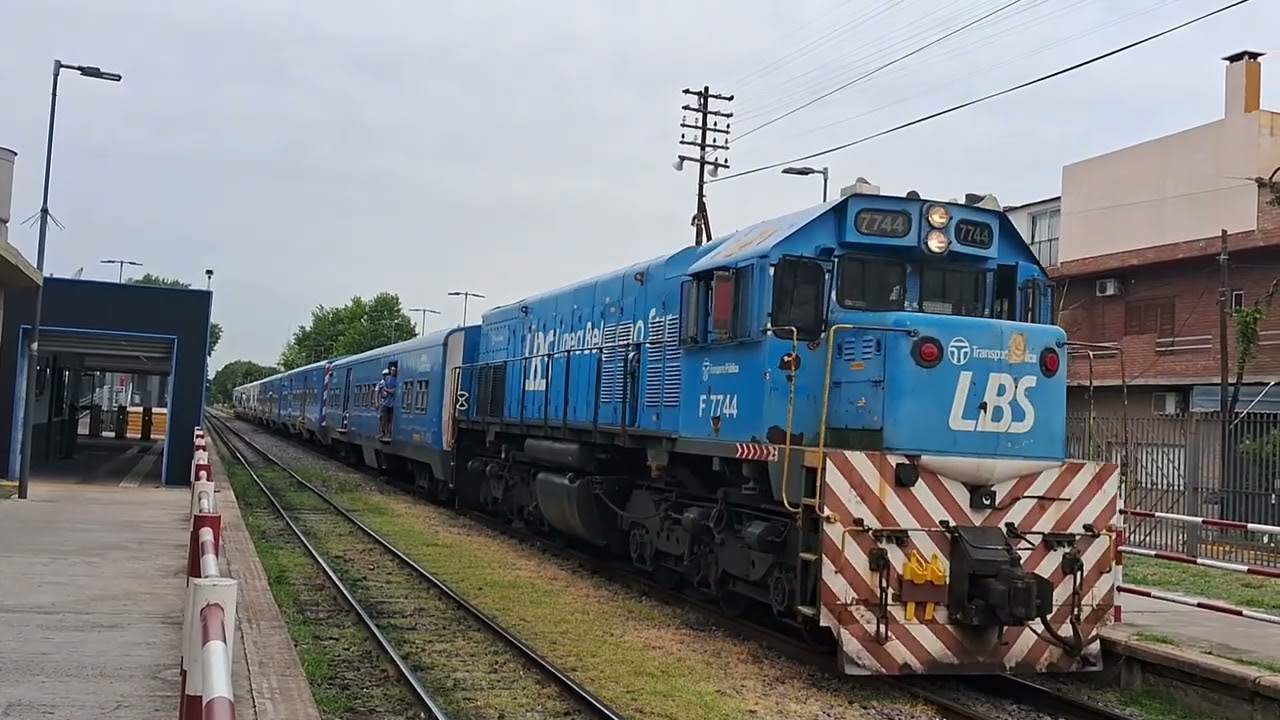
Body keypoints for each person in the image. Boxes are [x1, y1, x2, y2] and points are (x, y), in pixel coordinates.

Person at [378, 366, 398, 441]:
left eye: (394, 370)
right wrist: (389, 390)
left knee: (390, 419)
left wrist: (387, 390)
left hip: (392, 403)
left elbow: (394, 391)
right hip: (386, 402)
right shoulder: (387, 379)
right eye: (392, 370)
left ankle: (389, 433)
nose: (393, 372)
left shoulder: (396, 380)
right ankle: (383, 432)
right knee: (383, 418)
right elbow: (384, 389)